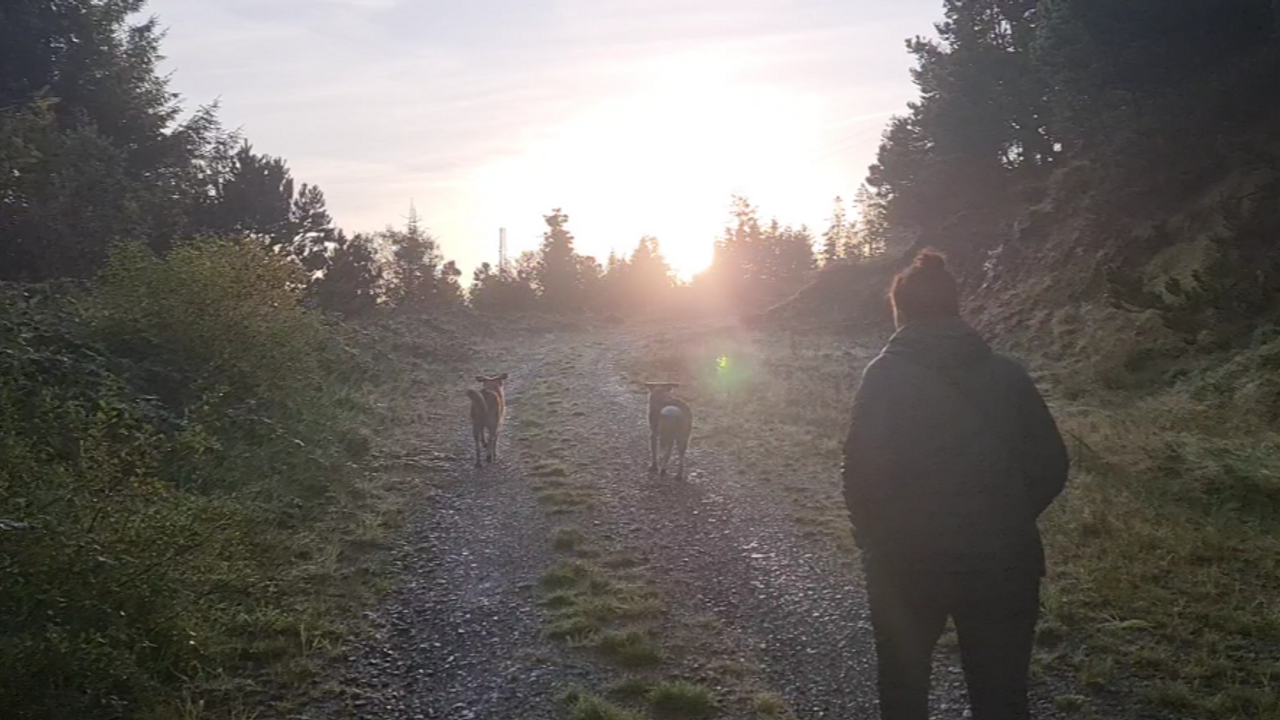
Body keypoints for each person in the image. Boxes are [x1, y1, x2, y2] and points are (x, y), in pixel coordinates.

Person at [842, 250, 1069, 720]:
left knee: (903, 693)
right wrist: (1005, 516)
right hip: (1005, 562)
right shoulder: (1008, 374)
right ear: (956, 308)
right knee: (1002, 697)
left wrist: (876, 545)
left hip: (907, 564)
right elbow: (1052, 463)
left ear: (899, 312)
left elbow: (861, 473)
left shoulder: (883, 376)